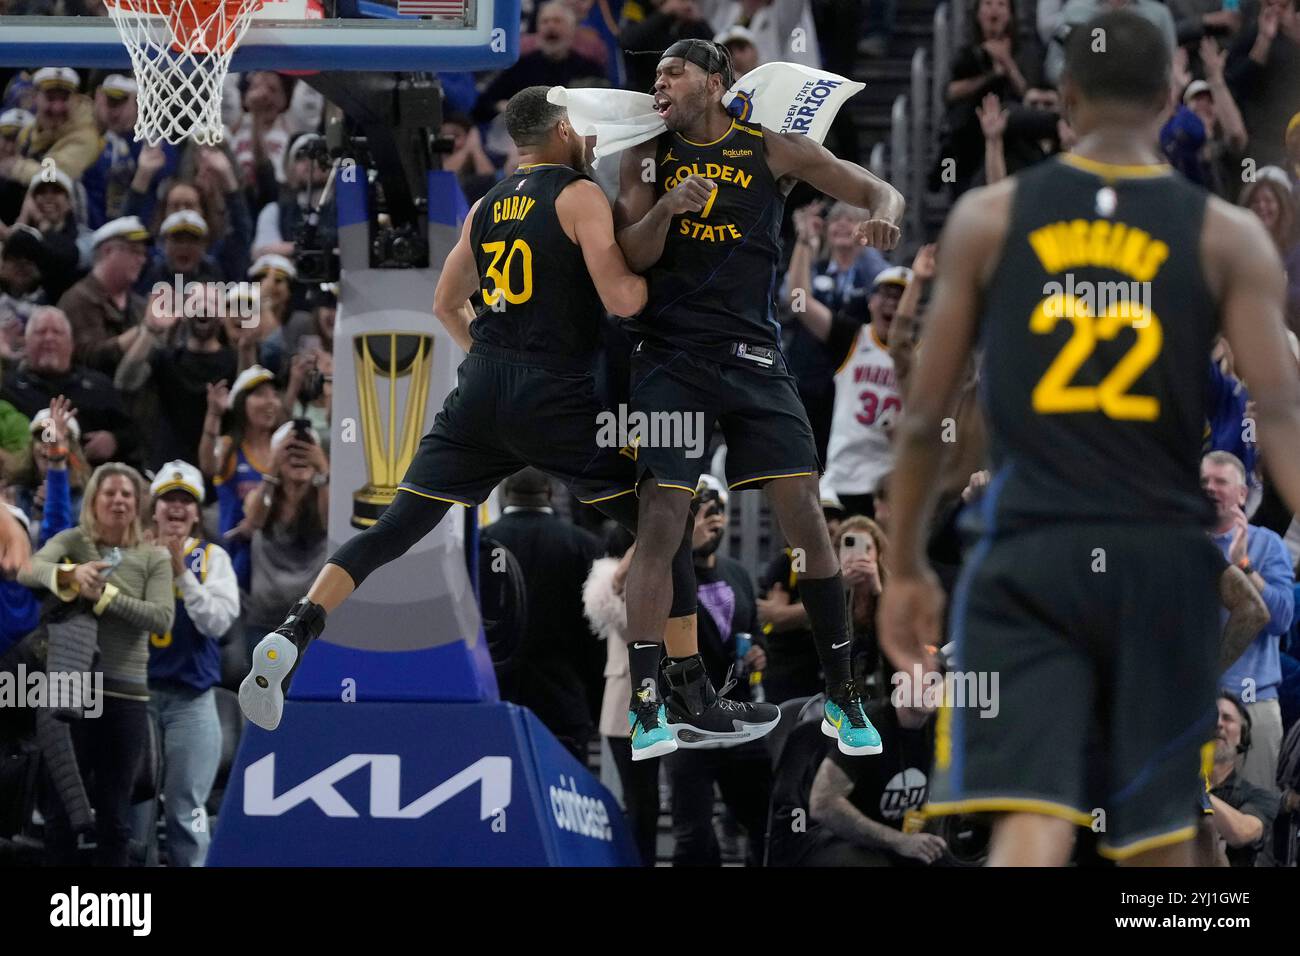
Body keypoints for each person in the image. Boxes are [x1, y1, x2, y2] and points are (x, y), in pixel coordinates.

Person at [880, 10, 1300, 866]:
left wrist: (910, 565)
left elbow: (923, 418)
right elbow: (1284, 417)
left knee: (1028, 824)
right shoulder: (1228, 237)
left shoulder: (988, 217)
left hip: (1031, 546)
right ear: (1164, 97)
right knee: (1158, 838)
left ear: (1064, 100)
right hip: (1156, 555)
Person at [240, 89, 768, 757]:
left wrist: (489, 361)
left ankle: (296, 628)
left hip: (482, 391)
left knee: (395, 525)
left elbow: (444, 302)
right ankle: (687, 693)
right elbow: (622, 297)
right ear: (567, 130)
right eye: (586, 131)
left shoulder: (488, 204)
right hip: (554, 397)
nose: (593, 141)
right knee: (663, 523)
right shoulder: (578, 195)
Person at [614, 37, 903, 758]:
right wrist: (668, 208)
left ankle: (843, 696)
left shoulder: (772, 149)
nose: (659, 84)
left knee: (806, 512)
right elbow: (633, 253)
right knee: (662, 520)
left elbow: (872, 187)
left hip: (753, 358)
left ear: (715, 84)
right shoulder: (646, 153)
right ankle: (650, 707)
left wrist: (887, 208)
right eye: (654, 76)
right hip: (671, 359)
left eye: (672, 72)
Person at [19, 462, 174, 865]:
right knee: (60, 817)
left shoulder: (153, 557)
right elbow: (29, 570)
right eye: (110, 493)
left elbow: (161, 618)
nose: (119, 500)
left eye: (127, 494)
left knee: (115, 818)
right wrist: (70, 576)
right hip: (71, 696)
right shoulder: (73, 541)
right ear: (93, 501)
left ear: (138, 503)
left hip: (126, 698)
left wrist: (106, 597)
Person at [665, 475, 773, 866]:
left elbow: (758, 632)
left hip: (741, 718)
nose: (718, 522)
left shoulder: (738, 573)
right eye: (707, 514)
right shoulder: (665, 576)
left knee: (764, 821)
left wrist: (760, 651)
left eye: (722, 514)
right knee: (692, 835)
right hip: (689, 722)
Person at [139, 460, 240, 867]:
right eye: (169, 500)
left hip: (192, 701)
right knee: (137, 813)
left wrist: (182, 572)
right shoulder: (133, 554)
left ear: (198, 512)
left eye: (186, 501)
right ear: (154, 508)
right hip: (138, 697)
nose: (177, 508)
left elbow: (217, 621)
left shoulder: (213, 558)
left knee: (187, 811)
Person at [486, 468, 605, 762]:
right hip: (564, 701)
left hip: (498, 697)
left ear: (504, 494)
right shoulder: (584, 546)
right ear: (550, 494)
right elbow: (597, 635)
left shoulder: (481, 544)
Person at [1202, 451, 1295, 792]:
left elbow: (1282, 619)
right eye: (1203, 482)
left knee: (1255, 826)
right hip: (1196, 702)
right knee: (1193, 825)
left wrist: (1243, 564)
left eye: (1221, 481)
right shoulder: (1183, 544)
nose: (1210, 488)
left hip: (1253, 703)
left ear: (1242, 494)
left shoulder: (1266, 544)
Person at [782, 200, 887, 461]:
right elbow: (795, 300)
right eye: (836, 219)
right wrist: (805, 242)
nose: (842, 224)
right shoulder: (814, 269)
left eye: (851, 219)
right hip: (808, 378)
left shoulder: (873, 274)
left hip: (854, 381)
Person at [115, 281, 239, 471]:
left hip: (218, 473)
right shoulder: (167, 358)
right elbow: (125, 383)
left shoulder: (234, 361)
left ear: (223, 314)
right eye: (196, 302)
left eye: (212, 303)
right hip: (167, 470)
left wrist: (247, 346)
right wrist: (150, 330)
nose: (204, 308)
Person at [821, 266, 911, 518]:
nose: (892, 304)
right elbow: (801, 304)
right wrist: (806, 243)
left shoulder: (923, 356)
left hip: (890, 483)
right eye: (886, 295)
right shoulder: (854, 338)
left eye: (901, 297)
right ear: (871, 301)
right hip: (844, 477)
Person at [0, 306, 138, 467]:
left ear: (71, 344)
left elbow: (133, 433)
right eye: (40, 332)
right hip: (26, 479)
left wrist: (114, 440)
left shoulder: (98, 385)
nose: (49, 338)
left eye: (57, 332)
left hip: (93, 478)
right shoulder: (8, 388)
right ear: (27, 342)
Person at [242, 420, 329, 656]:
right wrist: (272, 469)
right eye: (289, 450)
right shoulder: (259, 499)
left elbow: (329, 522)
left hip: (309, 623)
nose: (298, 456)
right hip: (264, 623)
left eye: (305, 449)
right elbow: (254, 521)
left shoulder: (325, 498)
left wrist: (322, 468)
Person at [199, 364, 279, 592]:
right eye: (260, 395)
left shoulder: (282, 450)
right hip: (236, 564)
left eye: (274, 395)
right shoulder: (229, 448)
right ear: (241, 403)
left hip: (277, 566)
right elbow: (207, 465)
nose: (270, 401)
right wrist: (214, 415)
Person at [473, 3, 607, 122]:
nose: (550, 26)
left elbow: (604, 107)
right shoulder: (522, 66)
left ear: (572, 29)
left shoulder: (589, 68)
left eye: (557, 21)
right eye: (545, 21)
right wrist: (501, 106)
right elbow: (482, 105)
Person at [56, 215, 149, 375]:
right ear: (107, 251)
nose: (141, 260)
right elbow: (89, 357)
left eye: (143, 253)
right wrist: (146, 330)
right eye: (134, 251)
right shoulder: (78, 299)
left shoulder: (139, 305)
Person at [1208, 693, 1282, 866]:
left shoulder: (1261, 797)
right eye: (1212, 718)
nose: (1218, 723)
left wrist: (1192, 791)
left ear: (1243, 735)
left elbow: (1241, 833)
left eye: (1227, 719)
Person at [0, 67, 99, 187]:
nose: (57, 107)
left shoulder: (86, 138)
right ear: (35, 97)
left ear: (75, 99)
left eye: (64, 99)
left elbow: (55, 177)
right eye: (50, 98)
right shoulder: (29, 131)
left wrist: (13, 167)